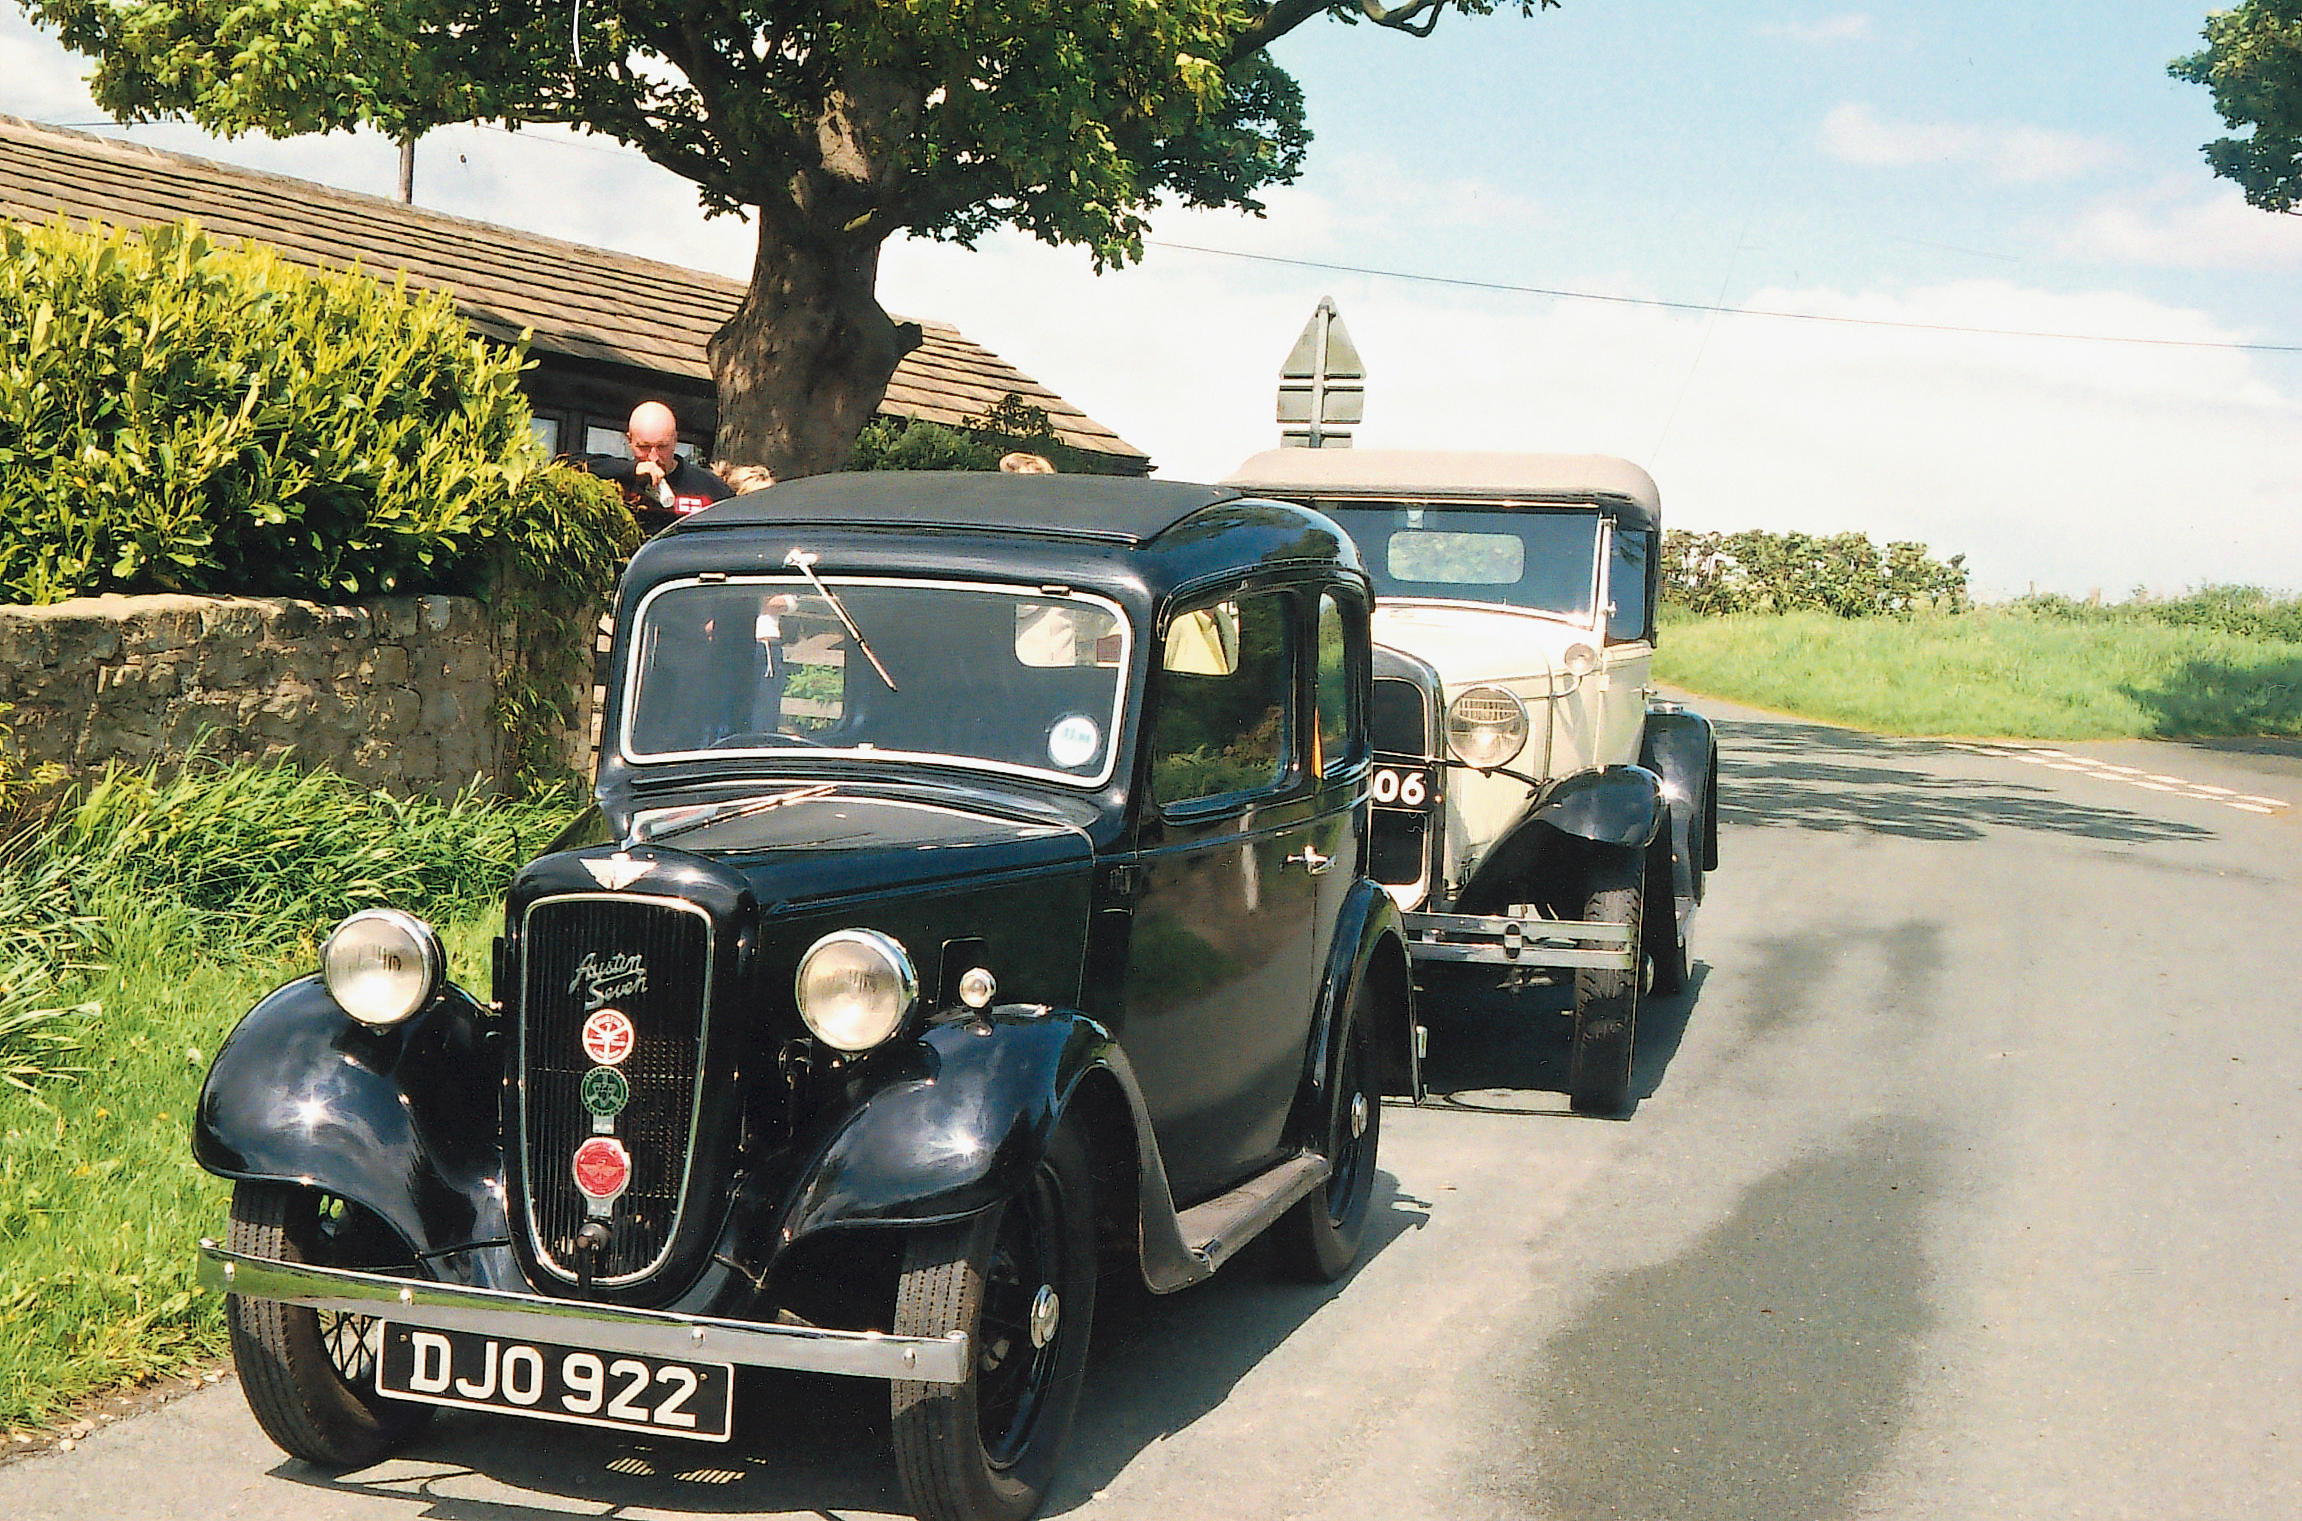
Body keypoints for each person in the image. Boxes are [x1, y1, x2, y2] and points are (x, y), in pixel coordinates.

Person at [588, 401, 735, 530]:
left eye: (662, 446)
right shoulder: (617, 477)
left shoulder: (709, 487)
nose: (654, 457)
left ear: (675, 440)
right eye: (644, 447)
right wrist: (631, 470)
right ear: (630, 440)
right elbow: (571, 464)